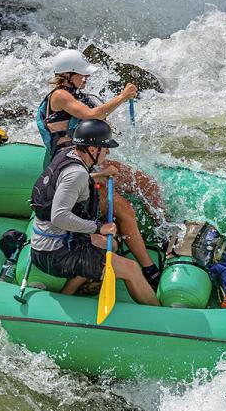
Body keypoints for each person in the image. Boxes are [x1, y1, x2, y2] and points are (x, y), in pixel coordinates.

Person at [36, 50, 167, 287]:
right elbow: (92, 114)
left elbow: (96, 120)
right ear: (67, 75)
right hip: (70, 167)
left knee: (145, 181)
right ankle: (148, 269)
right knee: (123, 209)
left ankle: (167, 234)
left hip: (90, 161)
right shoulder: (60, 96)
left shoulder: (76, 94)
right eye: (82, 74)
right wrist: (123, 96)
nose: (86, 78)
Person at [29, 119, 160, 304]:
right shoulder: (77, 174)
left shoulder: (67, 154)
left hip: (51, 244)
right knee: (131, 269)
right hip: (56, 254)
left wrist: (98, 176)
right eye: (105, 148)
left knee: (111, 245)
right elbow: (59, 216)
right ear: (92, 149)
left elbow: (69, 184)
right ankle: (159, 316)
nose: (107, 152)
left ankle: (68, 293)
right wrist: (98, 227)